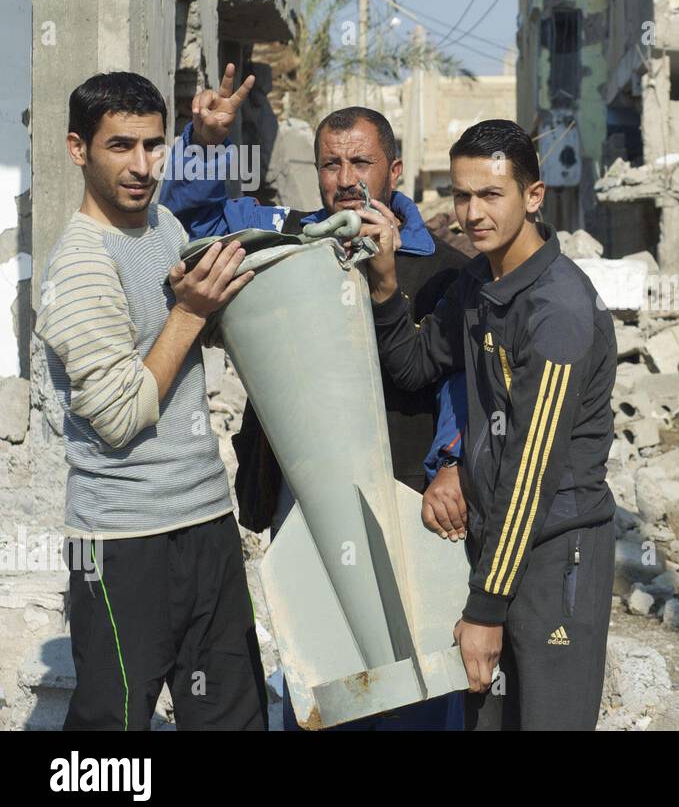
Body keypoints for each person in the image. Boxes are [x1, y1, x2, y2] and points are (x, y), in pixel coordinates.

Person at [160, 91, 469, 730]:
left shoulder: (445, 270)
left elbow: (465, 385)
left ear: (395, 168)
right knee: (331, 678)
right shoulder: (293, 240)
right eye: (331, 164)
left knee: (418, 677)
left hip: (412, 498)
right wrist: (207, 145)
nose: (346, 180)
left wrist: (453, 463)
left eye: (362, 162)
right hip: (299, 497)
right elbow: (198, 221)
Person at [359, 119, 617, 730]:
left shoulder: (559, 310)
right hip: (491, 545)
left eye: (491, 195)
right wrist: (387, 284)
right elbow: (416, 363)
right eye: (462, 194)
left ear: (533, 197)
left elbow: (531, 478)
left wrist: (485, 608)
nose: (473, 213)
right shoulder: (479, 283)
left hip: (557, 554)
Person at [36, 71, 265, 730]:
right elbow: (119, 416)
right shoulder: (78, 266)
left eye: (153, 146)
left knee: (234, 716)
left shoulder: (160, 223)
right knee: (114, 730)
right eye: (120, 147)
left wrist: (206, 139)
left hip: (205, 524)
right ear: (79, 149)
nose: (141, 166)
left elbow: (181, 201)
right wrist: (190, 314)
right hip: (120, 544)